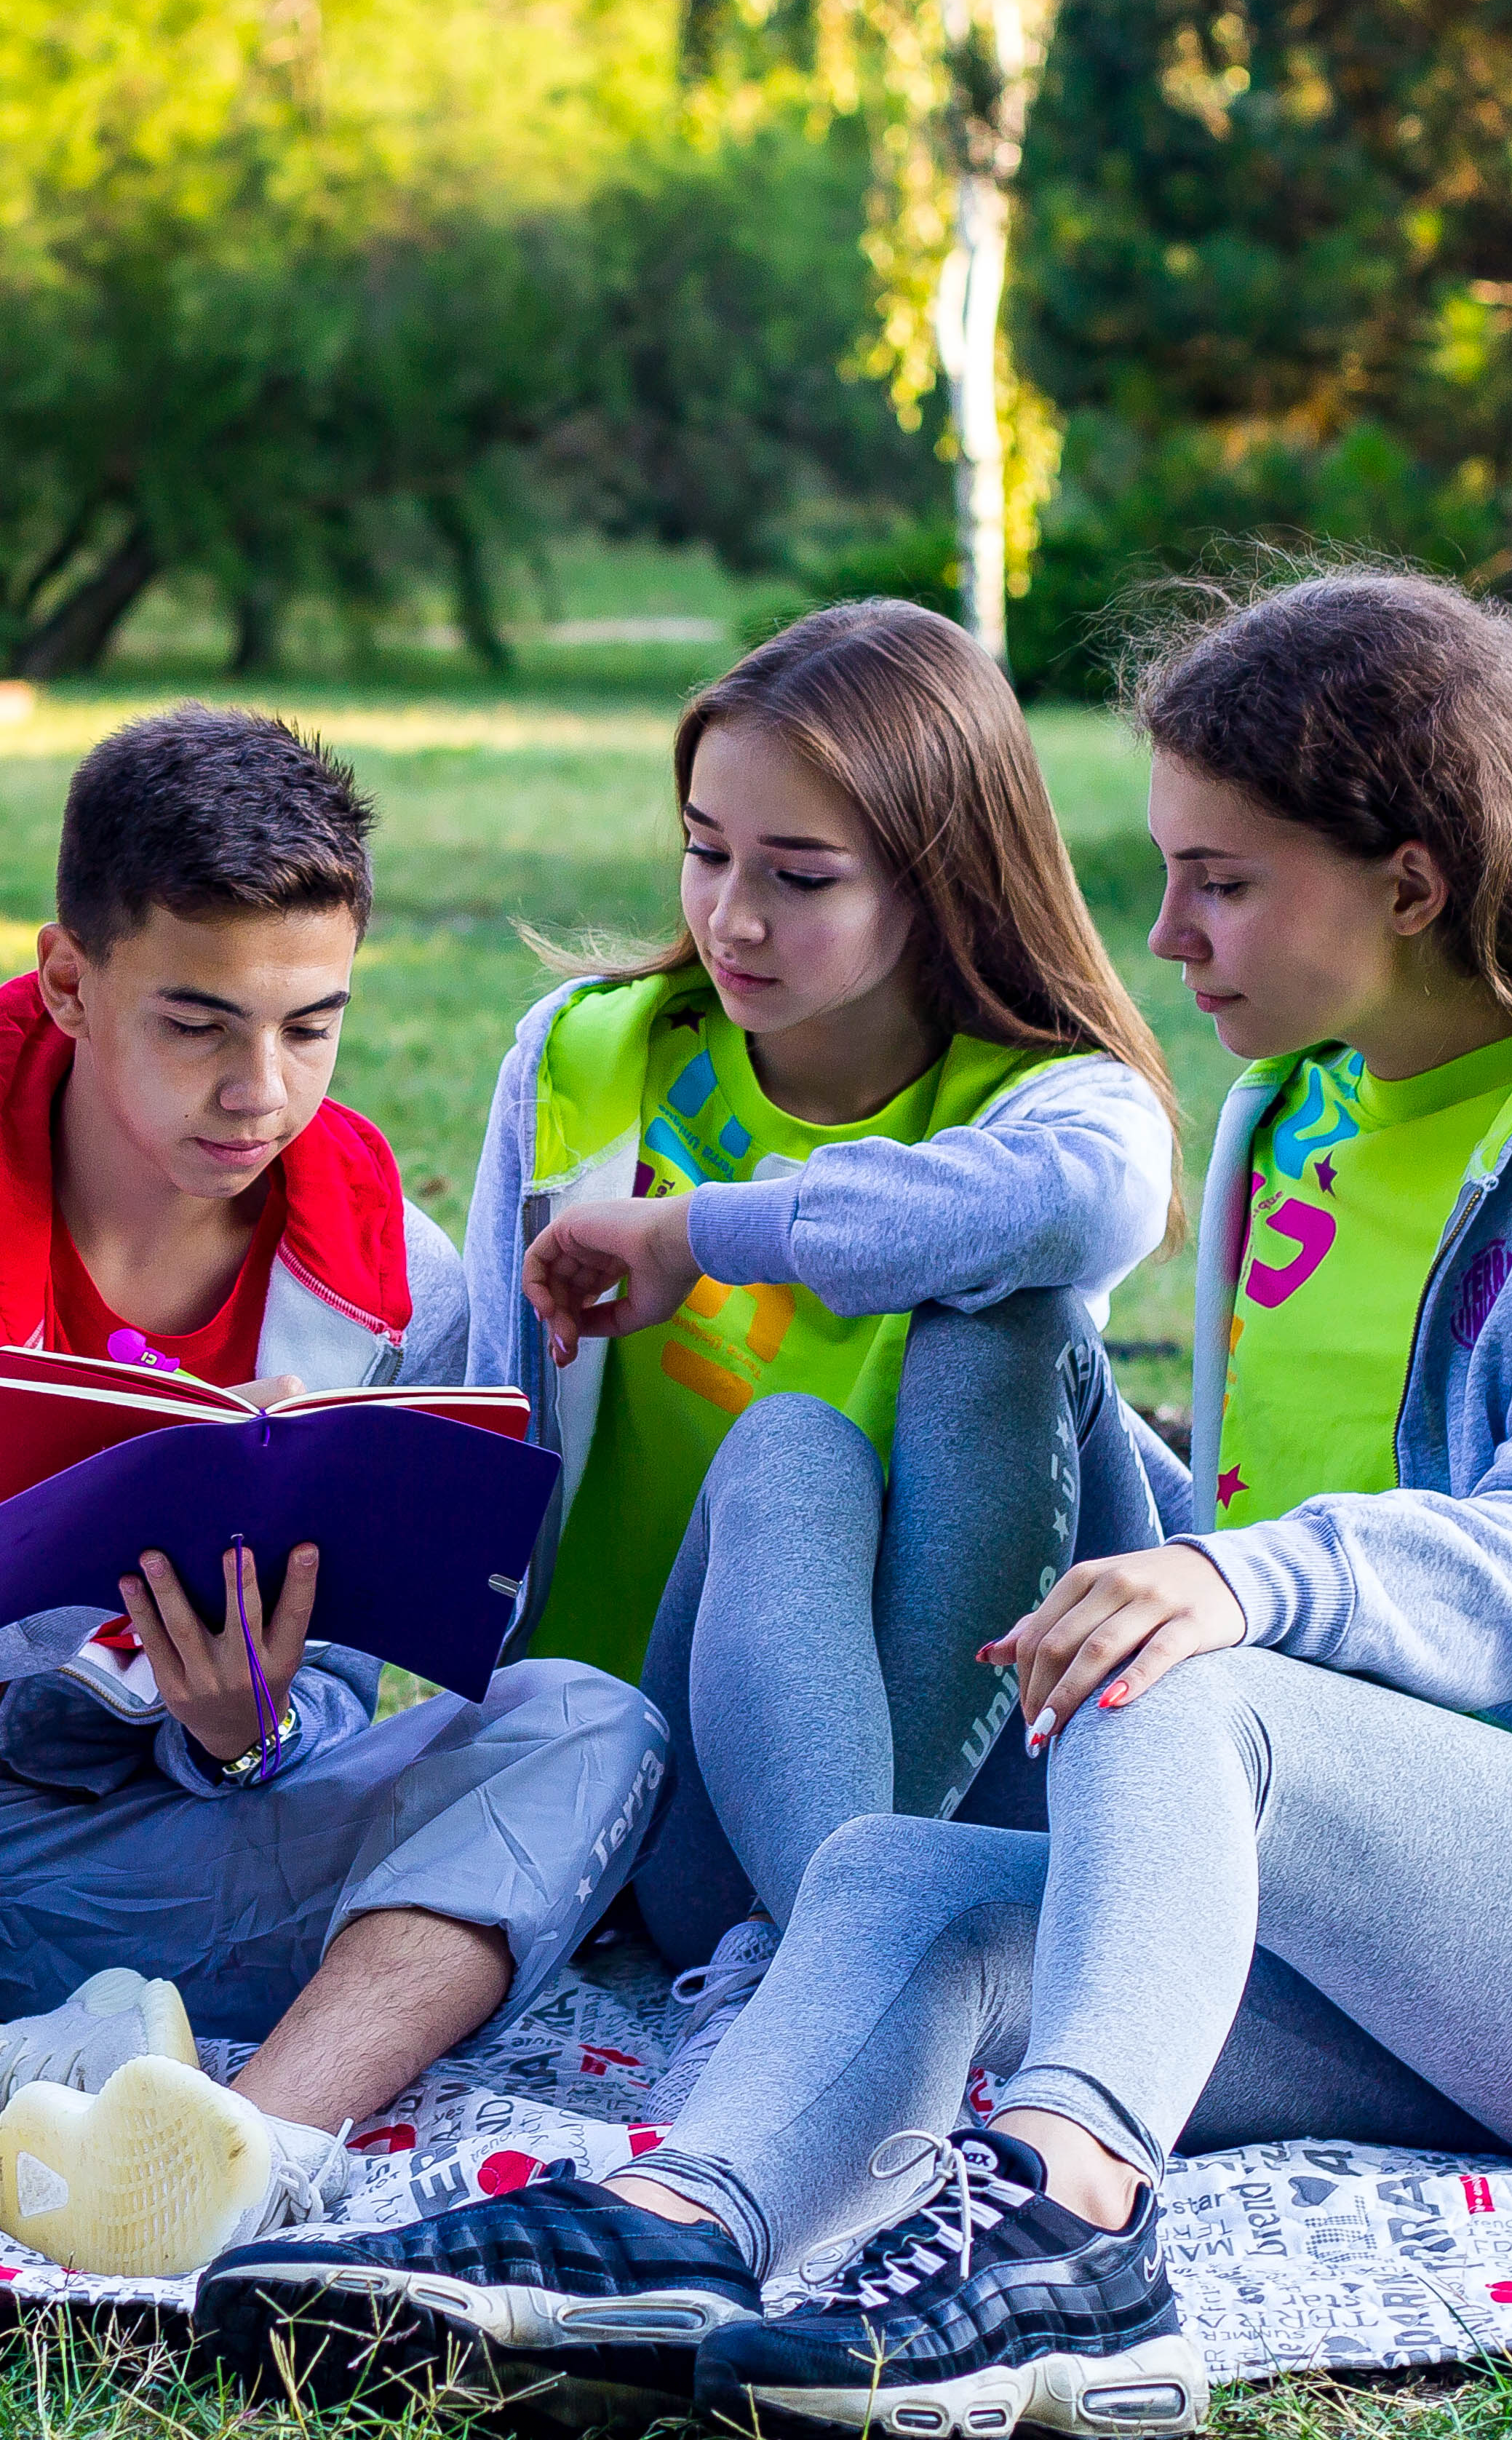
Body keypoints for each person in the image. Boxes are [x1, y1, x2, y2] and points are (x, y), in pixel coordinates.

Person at [194, 568, 1512, 2436]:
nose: (1168, 934)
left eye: (1227, 879)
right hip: (1384, 1924)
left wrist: (1215, 1582)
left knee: (1179, 1649)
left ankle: (1079, 2245)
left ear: (1414, 881)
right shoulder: (1306, 1110)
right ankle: (672, 2230)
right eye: (1170, 870)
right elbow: (1288, 1509)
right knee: (901, 1882)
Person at [0, 704, 673, 2274]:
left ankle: (248, 2151)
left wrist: (246, 1729)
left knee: (592, 1722)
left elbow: (327, 1696)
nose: (261, 1089)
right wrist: (134, 1504)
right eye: (197, 1024)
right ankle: (145, 2078)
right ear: (66, 981)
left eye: (310, 1026)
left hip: (163, 1846)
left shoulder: (394, 1283)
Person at [463, 601, 1177, 2114]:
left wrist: (706, 1232)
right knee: (781, 1451)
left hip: (955, 1761)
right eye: (706, 850)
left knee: (956, 1343)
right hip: (646, 1787)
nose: (732, 917)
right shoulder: (592, 1057)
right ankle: (837, 1977)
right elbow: (485, 1410)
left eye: (800, 877)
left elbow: (1096, 1199)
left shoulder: (1052, 1106)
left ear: (946, 886)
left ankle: (820, 1976)